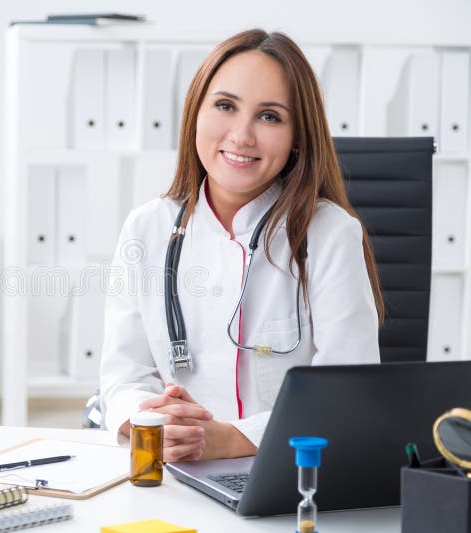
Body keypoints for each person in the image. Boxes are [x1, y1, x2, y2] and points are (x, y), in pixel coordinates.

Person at [99, 29, 383, 462]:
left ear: (297, 138)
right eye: (225, 106)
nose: (241, 135)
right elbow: (122, 378)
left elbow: (346, 392)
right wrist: (152, 422)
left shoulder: (328, 234)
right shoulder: (147, 228)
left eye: (270, 116)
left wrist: (229, 439)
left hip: (286, 473)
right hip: (172, 471)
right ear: (196, 111)